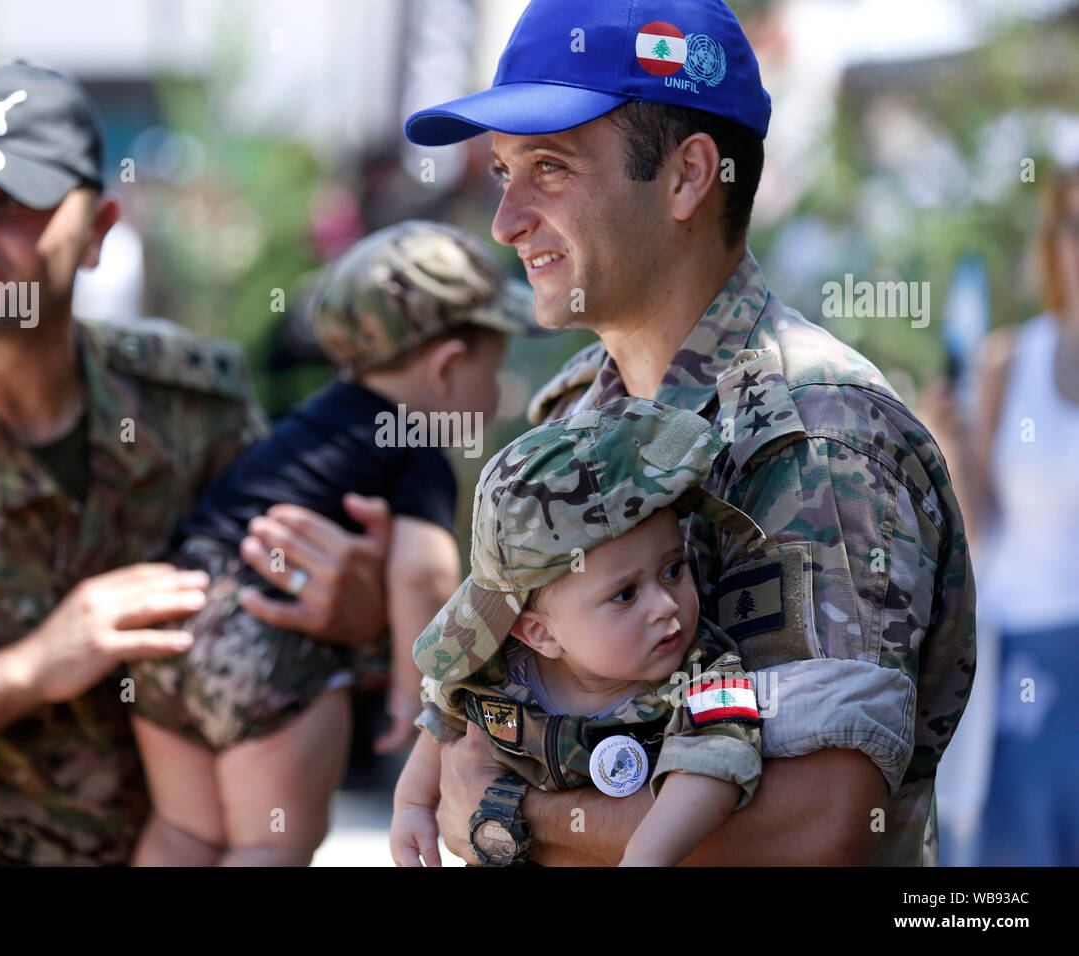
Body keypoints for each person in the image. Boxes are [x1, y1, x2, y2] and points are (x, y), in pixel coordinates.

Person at [400, 0, 975, 865]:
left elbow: (822, 823)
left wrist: (513, 817)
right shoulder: (574, 414)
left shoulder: (818, 437)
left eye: (549, 168)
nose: (506, 219)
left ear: (687, 177)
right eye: (503, 172)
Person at [0, 61, 387, 866]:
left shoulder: (192, 402)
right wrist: (30, 670)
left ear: (100, 229)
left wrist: (361, 614)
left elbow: (293, 632)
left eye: (9, 199)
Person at [126, 220, 535, 865]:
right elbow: (422, 577)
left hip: (170, 626)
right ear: (449, 367)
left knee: (187, 832)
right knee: (271, 840)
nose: (500, 390)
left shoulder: (307, 424)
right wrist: (416, 695)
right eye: (495, 368)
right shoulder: (418, 449)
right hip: (265, 647)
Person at [392, 397, 766, 867]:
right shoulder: (497, 667)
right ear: (541, 634)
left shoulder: (703, 672)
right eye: (625, 594)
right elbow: (444, 717)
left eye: (673, 569)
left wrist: (648, 854)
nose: (666, 604)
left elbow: (715, 764)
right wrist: (412, 805)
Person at [920, 164, 1079, 866]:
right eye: (1075, 223)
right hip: (1020, 660)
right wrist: (950, 439)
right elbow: (978, 530)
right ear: (1055, 239)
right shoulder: (1008, 362)